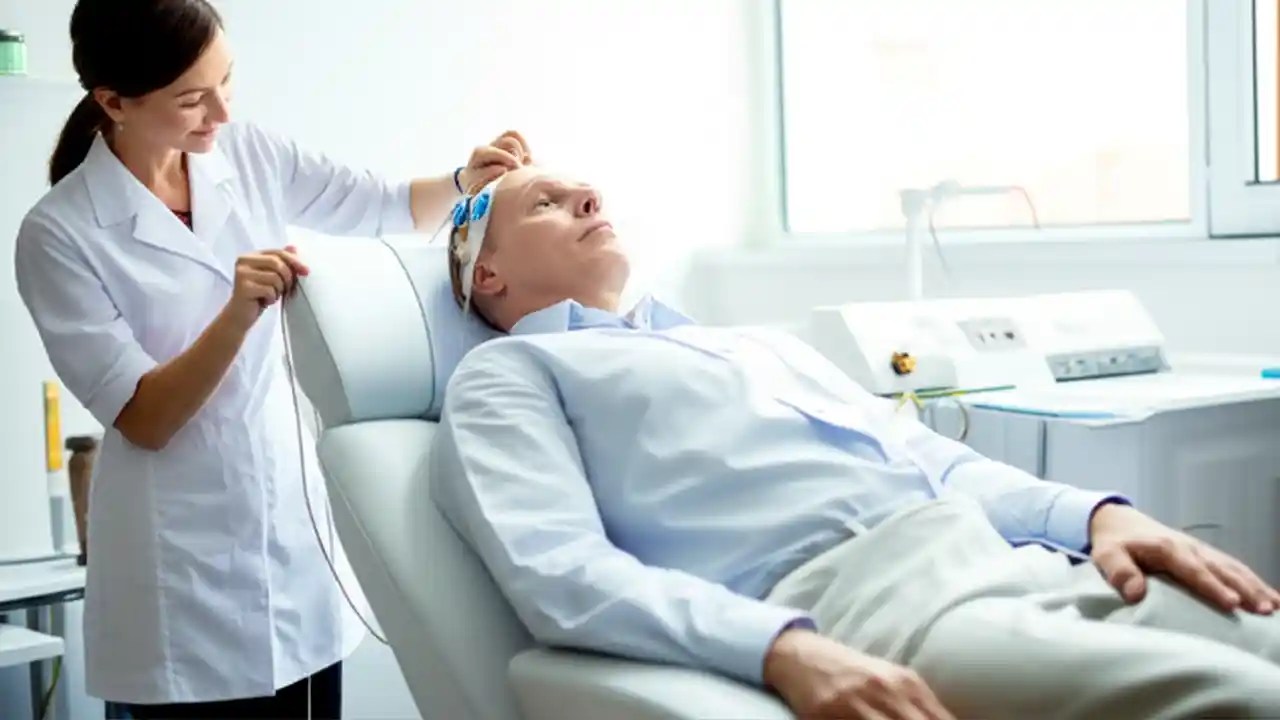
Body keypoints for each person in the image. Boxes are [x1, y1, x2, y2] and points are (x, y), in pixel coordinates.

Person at [431, 166, 1280, 720]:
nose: (589, 198)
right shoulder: (512, 373)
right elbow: (564, 572)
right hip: (883, 611)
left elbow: (936, 462)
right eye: (545, 203)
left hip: (1023, 562)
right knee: (1244, 701)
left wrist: (1098, 516)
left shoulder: (751, 343)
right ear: (486, 272)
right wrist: (782, 648)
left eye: (586, 193)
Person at [12, 1, 533, 717]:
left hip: (295, 545)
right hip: (181, 581)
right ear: (113, 102)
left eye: (226, 81)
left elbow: (379, 206)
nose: (221, 114)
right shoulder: (59, 234)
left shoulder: (247, 152)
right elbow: (146, 418)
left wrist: (465, 178)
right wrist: (237, 312)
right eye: (192, 99)